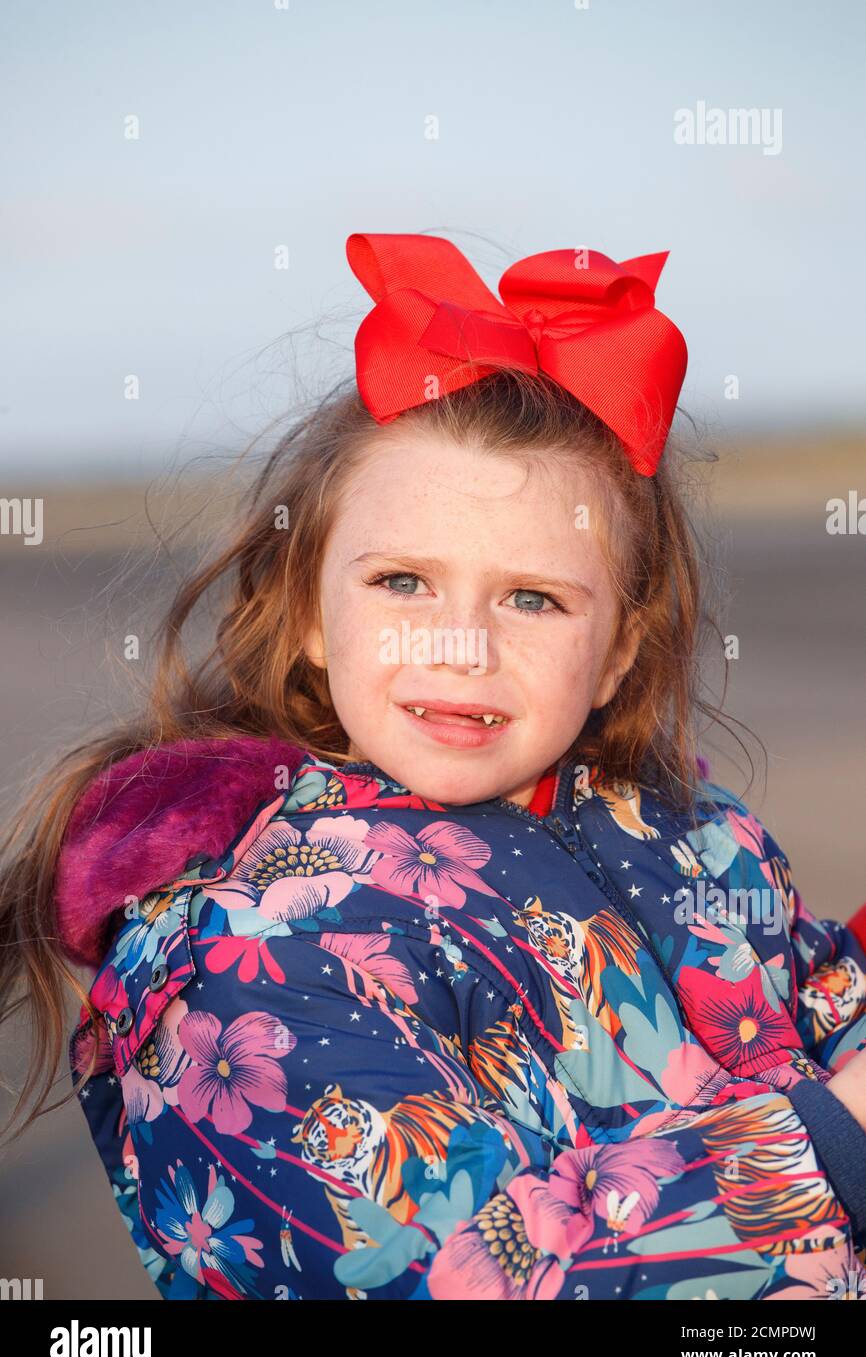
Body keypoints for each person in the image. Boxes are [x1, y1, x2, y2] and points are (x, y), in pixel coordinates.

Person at [2, 232, 865, 1300]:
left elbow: (824, 1010)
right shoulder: (242, 960)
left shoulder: (694, 833)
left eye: (531, 598)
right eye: (403, 582)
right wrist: (830, 1137)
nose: (460, 646)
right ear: (308, 609)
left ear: (617, 655)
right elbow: (453, 1274)